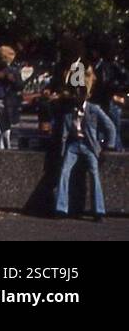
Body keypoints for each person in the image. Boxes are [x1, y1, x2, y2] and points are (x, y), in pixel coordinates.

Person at [53, 87, 116, 222]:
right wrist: (62, 151)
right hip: (74, 144)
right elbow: (64, 133)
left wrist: (108, 146)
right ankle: (61, 208)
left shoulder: (94, 109)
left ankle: (99, 211)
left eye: (80, 96)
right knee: (64, 171)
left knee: (94, 174)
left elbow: (110, 127)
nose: (77, 98)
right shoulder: (69, 111)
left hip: (89, 146)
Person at [90, 47, 126, 152]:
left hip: (108, 99)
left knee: (112, 123)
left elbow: (121, 79)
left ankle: (116, 146)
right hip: (102, 99)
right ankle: (110, 145)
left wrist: (114, 90)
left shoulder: (108, 66)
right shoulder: (99, 66)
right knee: (104, 124)